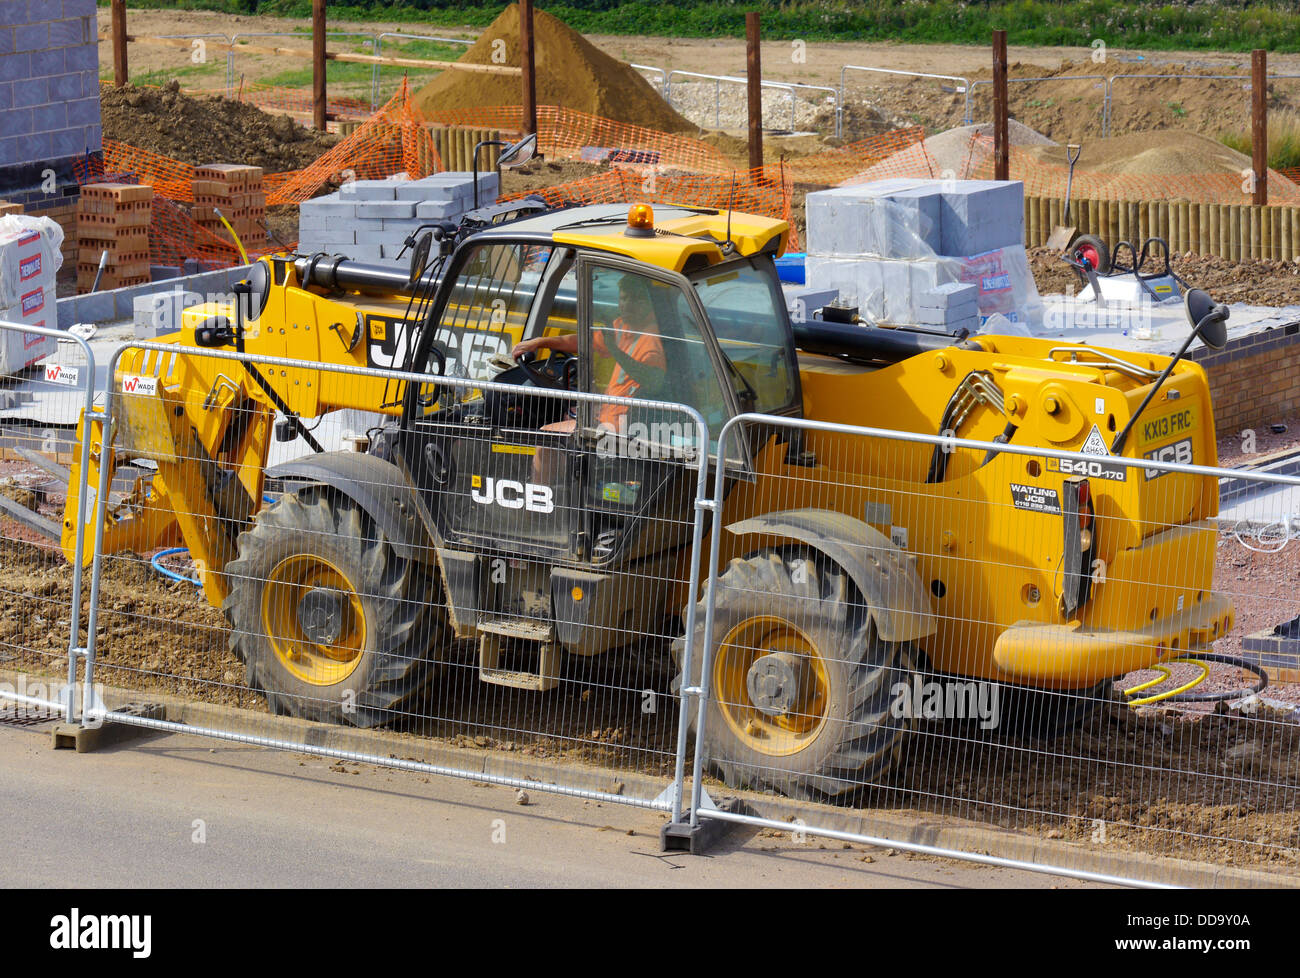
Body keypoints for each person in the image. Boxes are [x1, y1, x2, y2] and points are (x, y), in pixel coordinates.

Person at [510, 273, 666, 435]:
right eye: (623, 299)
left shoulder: (652, 342)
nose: (625, 305)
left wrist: (614, 350)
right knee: (566, 416)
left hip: (619, 427)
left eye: (633, 300)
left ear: (646, 303)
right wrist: (541, 342)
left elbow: (653, 381)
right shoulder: (625, 327)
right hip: (607, 413)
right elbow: (585, 342)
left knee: (547, 435)